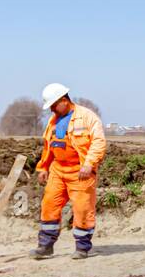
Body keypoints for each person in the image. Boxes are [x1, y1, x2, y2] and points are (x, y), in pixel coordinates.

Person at [32, 83, 106, 259]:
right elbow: (48, 146)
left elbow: (98, 142)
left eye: (53, 105)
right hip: (58, 170)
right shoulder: (53, 120)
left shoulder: (88, 117)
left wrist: (89, 164)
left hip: (80, 172)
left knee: (82, 209)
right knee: (49, 205)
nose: (51, 110)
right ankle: (45, 246)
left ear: (64, 100)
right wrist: (43, 167)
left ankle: (82, 247)